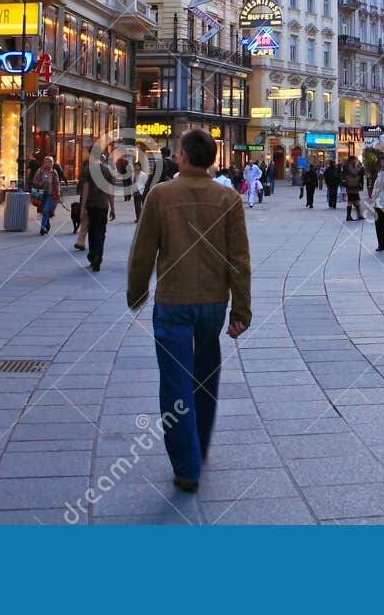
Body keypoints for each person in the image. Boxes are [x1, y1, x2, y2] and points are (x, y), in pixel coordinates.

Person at [126, 128, 251, 494]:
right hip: (213, 303)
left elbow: (143, 251)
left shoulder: (161, 195)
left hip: (174, 303)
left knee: (175, 382)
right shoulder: (229, 198)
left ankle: (186, 465)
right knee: (206, 373)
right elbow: (239, 258)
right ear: (213, 158)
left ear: (181, 156)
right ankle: (200, 441)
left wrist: (137, 293)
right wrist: (241, 308)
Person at [79, 148, 117, 271]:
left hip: (91, 206)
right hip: (103, 206)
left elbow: (85, 190)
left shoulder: (87, 170)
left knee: (92, 231)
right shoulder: (107, 170)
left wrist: (82, 207)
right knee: (101, 232)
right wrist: (113, 208)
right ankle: (98, 257)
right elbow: (110, 191)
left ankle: (92, 255)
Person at [32, 155, 61, 238]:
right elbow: (34, 180)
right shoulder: (40, 171)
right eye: (47, 162)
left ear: (52, 163)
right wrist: (39, 183)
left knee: (45, 210)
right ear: (44, 163)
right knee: (44, 210)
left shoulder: (54, 172)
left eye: (50, 162)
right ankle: (47, 224)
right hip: (41, 194)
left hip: (50, 194)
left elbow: (57, 183)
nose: (48, 164)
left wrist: (58, 192)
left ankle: (42, 228)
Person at [341, 153, 365, 222]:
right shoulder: (349, 166)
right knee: (351, 201)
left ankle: (357, 215)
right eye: (354, 160)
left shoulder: (350, 166)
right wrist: (359, 169)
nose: (355, 161)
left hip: (353, 186)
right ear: (351, 160)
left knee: (356, 201)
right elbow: (354, 173)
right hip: (351, 186)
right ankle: (349, 216)